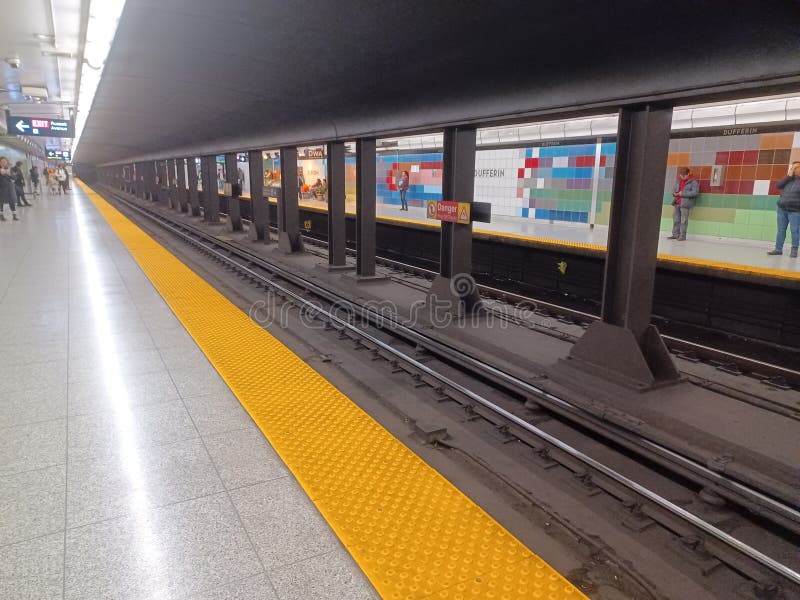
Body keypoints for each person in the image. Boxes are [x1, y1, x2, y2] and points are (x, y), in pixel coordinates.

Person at [767, 161, 800, 258]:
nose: (793, 169)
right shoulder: (788, 179)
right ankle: (778, 249)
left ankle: (794, 251)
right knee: (781, 230)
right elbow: (778, 186)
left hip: (795, 211)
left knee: (795, 230)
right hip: (782, 209)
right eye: (792, 168)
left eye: (796, 168)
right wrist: (788, 176)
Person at [668, 167, 699, 241]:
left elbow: (695, 193)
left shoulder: (693, 182)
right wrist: (674, 193)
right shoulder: (678, 181)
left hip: (685, 204)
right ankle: (675, 235)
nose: (682, 177)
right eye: (681, 175)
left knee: (683, 220)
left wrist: (682, 193)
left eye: (684, 175)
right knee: (676, 219)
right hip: (677, 203)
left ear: (688, 174)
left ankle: (682, 236)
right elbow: (673, 190)